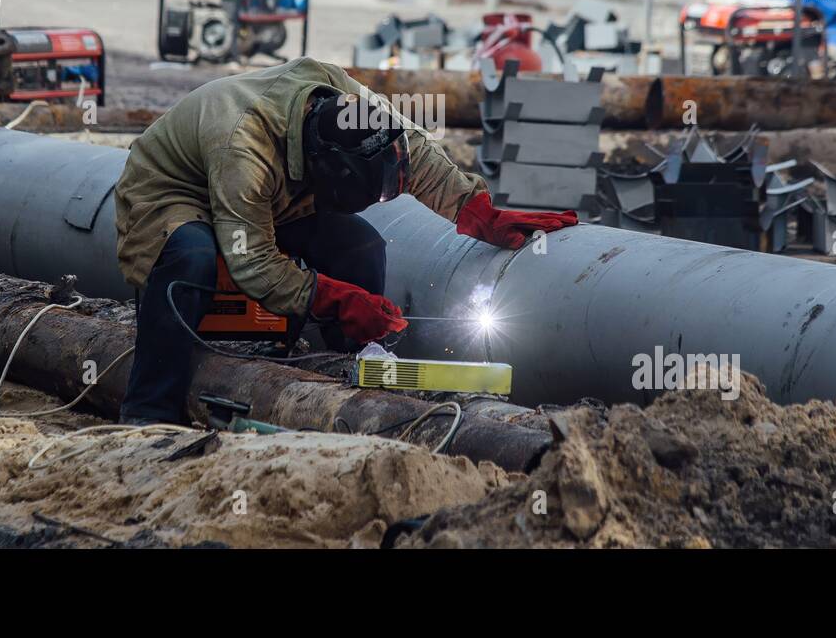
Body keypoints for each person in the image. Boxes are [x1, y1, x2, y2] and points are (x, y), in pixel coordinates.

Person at [114, 57, 578, 424]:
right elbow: (250, 258)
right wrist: (333, 297)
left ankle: (341, 369)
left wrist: (473, 210)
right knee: (193, 258)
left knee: (361, 248)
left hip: (270, 190)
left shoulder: (340, 98)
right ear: (331, 171)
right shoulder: (245, 147)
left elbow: (410, 143)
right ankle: (148, 406)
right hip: (174, 190)